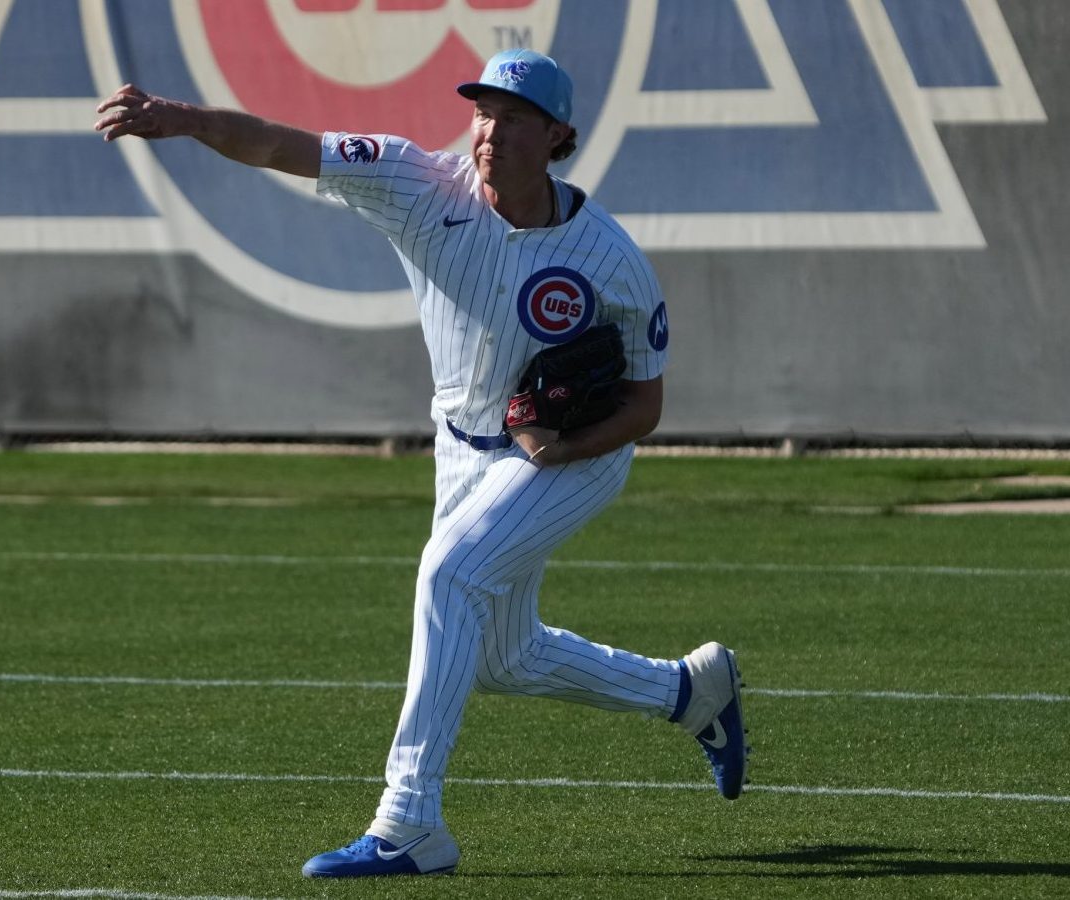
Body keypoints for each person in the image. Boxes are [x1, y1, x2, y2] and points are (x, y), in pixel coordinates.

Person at [95, 48, 747, 879]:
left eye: (513, 118)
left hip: (576, 457)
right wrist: (183, 121)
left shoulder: (611, 260)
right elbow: (275, 144)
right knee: (504, 659)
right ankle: (688, 693)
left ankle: (409, 822)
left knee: (447, 576)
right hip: (462, 451)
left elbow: (643, 410)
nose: (489, 131)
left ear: (556, 136)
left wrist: (568, 445)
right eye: (481, 111)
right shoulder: (414, 183)